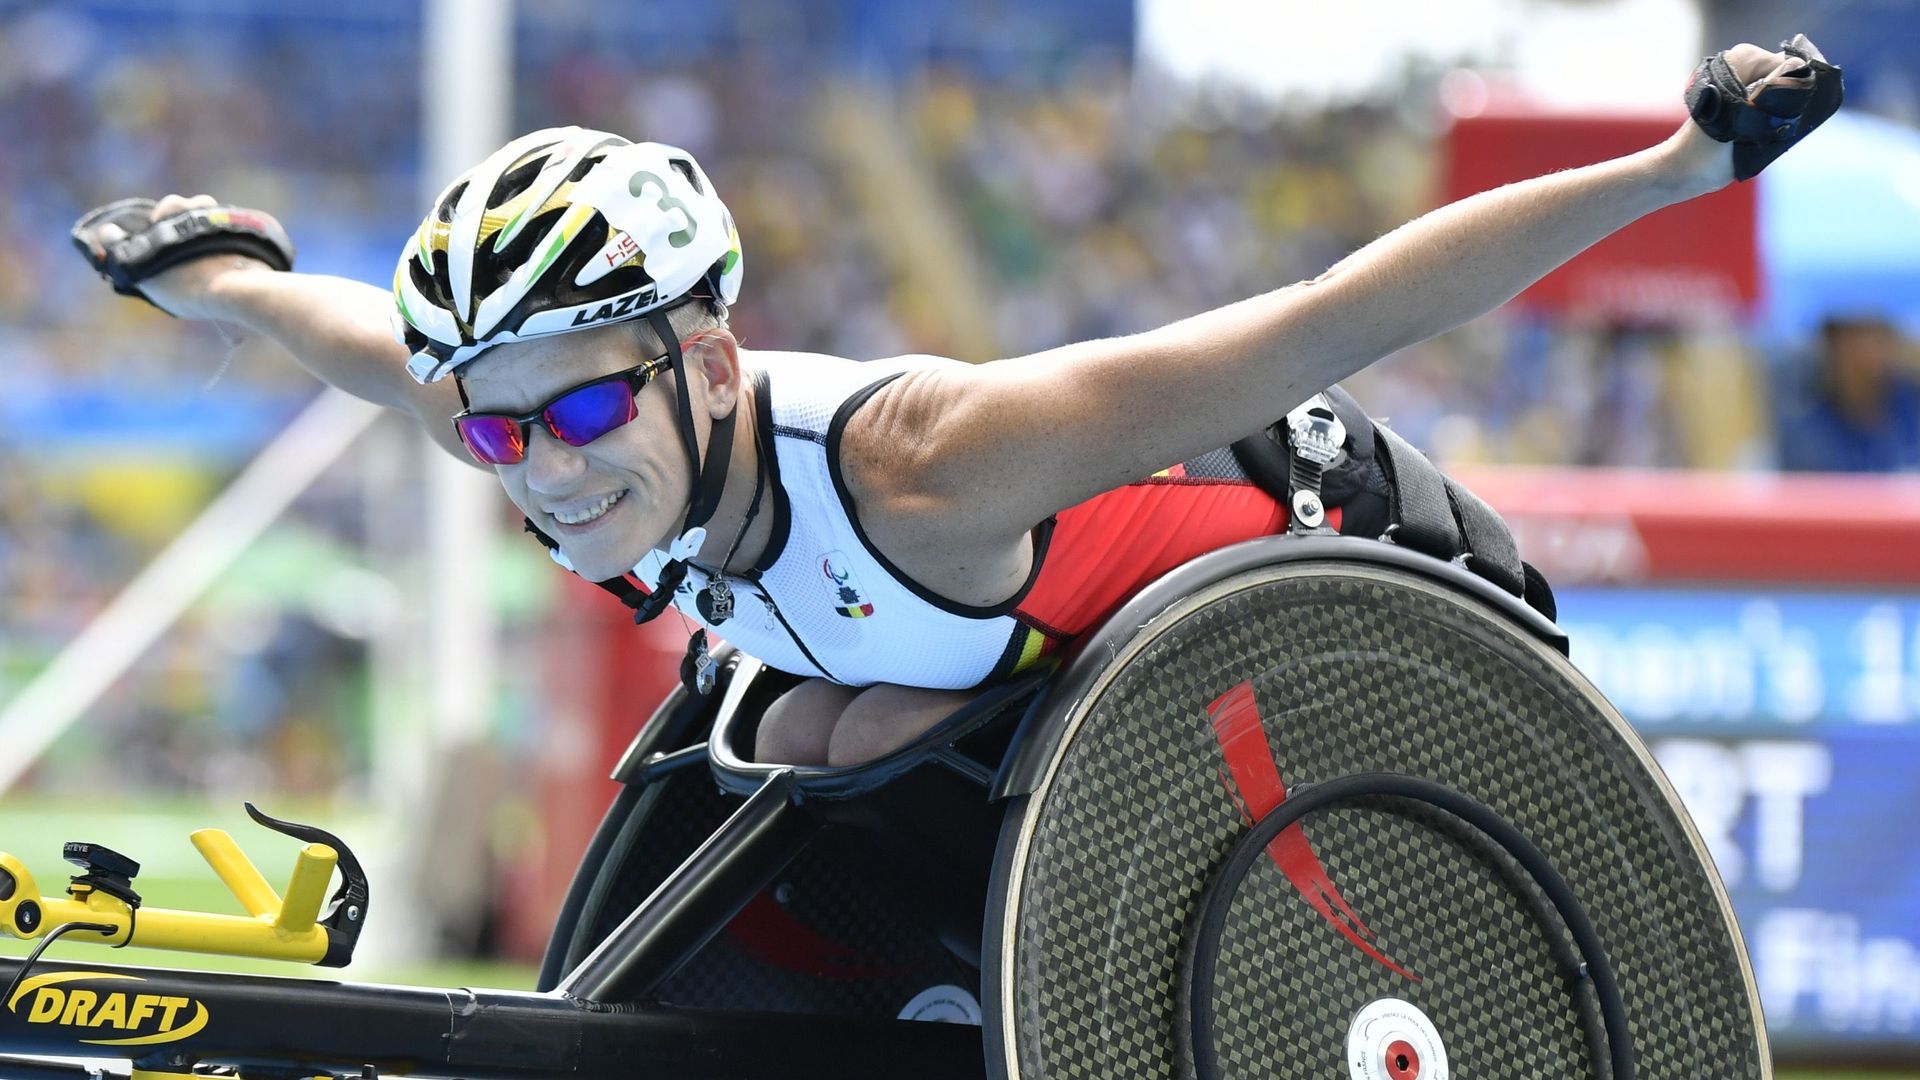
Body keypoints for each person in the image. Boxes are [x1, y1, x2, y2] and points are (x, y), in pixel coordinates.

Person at [71, 38, 1840, 767]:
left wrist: (1678, 164)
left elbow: (1331, 312)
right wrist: (208, 269)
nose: (537, 476)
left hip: (1338, 570)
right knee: (769, 744)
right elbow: (358, 339)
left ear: (704, 360)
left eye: (578, 419)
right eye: (494, 433)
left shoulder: (928, 465)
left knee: (814, 737)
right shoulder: (567, 435)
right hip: (1009, 662)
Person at [1776, 315, 1920, 472]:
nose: (1869, 351)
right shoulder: (1808, 438)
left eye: (1878, 335)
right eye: (1853, 337)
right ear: (1834, 347)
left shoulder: (1910, 403)